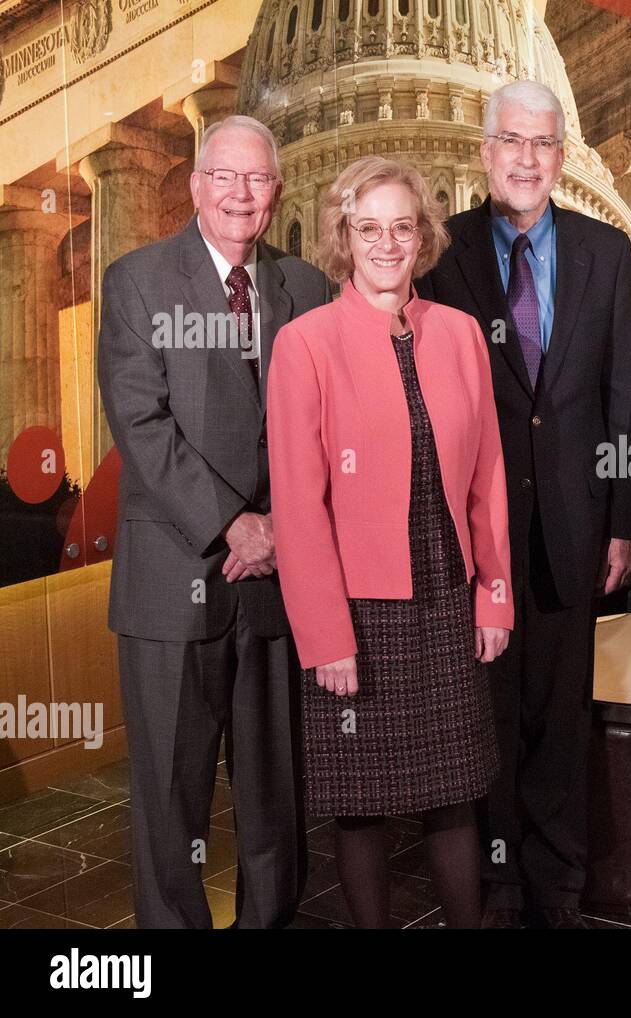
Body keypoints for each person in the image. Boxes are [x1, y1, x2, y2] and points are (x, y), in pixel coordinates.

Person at [415, 80, 631, 929]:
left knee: (563, 721)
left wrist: (624, 521)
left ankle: (561, 888)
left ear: (560, 156)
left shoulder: (605, 251)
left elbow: (627, 392)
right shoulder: (444, 254)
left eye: (544, 143)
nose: (527, 158)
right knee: (485, 722)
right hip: (477, 538)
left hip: (577, 530)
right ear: (485, 153)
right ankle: (494, 889)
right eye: (511, 141)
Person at [267, 156, 513, 929]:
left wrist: (495, 597)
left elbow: (489, 481)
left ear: (422, 237)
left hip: (447, 600)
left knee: (454, 798)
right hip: (357, 616)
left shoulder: (464, 335)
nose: (386, 242)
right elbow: (299, 509)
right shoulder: (305, 344)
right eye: (368, 228)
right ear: (344, 237)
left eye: (401, 227)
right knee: (362, 807)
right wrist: (325, 636)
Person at [97, 115, 330, 928]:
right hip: (174, 583)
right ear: (196, 185)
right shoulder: (137, 281)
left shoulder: (307, 288)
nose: (240, 194)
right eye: (224, 177)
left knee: (275, 796)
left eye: (257, 179)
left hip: (276, 585)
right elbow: (142, 424)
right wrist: (236, 525)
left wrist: (284, 533)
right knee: (171, 803)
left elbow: (325, 433)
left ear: (276, 192)